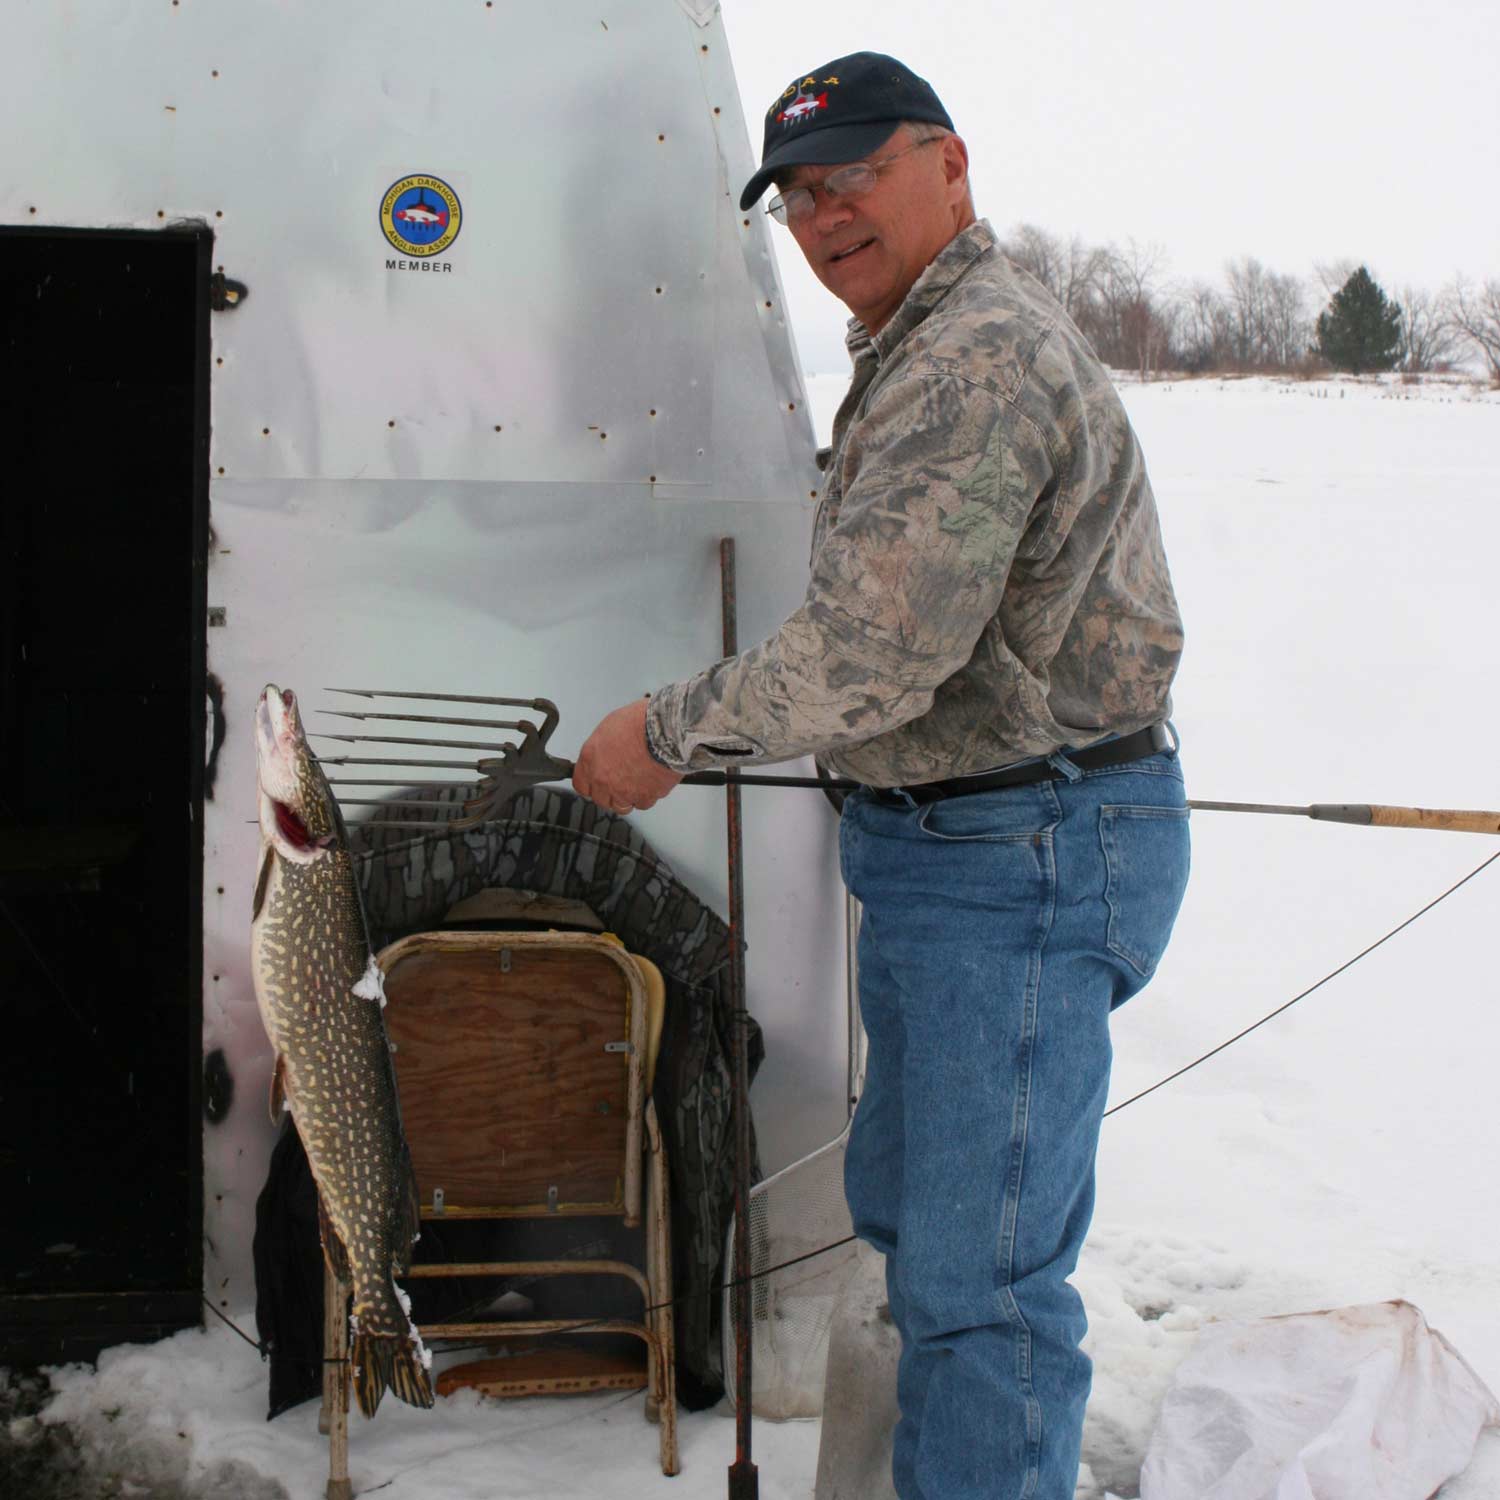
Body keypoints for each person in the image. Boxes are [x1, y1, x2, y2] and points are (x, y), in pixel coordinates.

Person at [572, 51, 1190, 1500]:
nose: (824, 213)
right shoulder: (918, 339)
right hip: (944, 854)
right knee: (921, 1233)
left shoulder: (974, 357)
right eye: (796, 193)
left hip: (1021, 858)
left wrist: (662, 731)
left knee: (983, 1294)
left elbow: (874, 653)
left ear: (949, 166)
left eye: (853, 174)